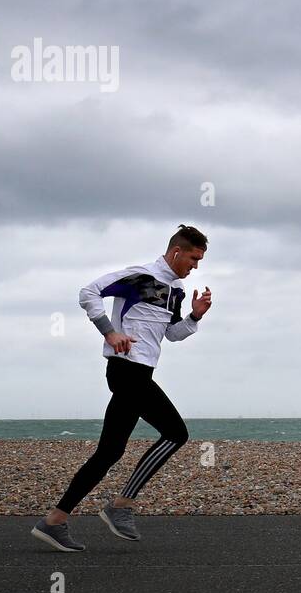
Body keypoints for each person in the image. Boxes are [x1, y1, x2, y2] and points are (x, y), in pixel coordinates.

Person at [31, 225, 213, 552]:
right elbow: (88, 293)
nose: (195, 266)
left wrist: (194, 318)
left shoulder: (176, 291)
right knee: (176, 433)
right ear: (176, 252)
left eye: (199, 261)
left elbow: (172, 335)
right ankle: (121, 505)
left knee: (109, 452)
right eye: (193, 258)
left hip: (141, 373)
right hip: (126, 371)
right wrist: (109, 333)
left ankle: (54, 521)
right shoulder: (139, 277)